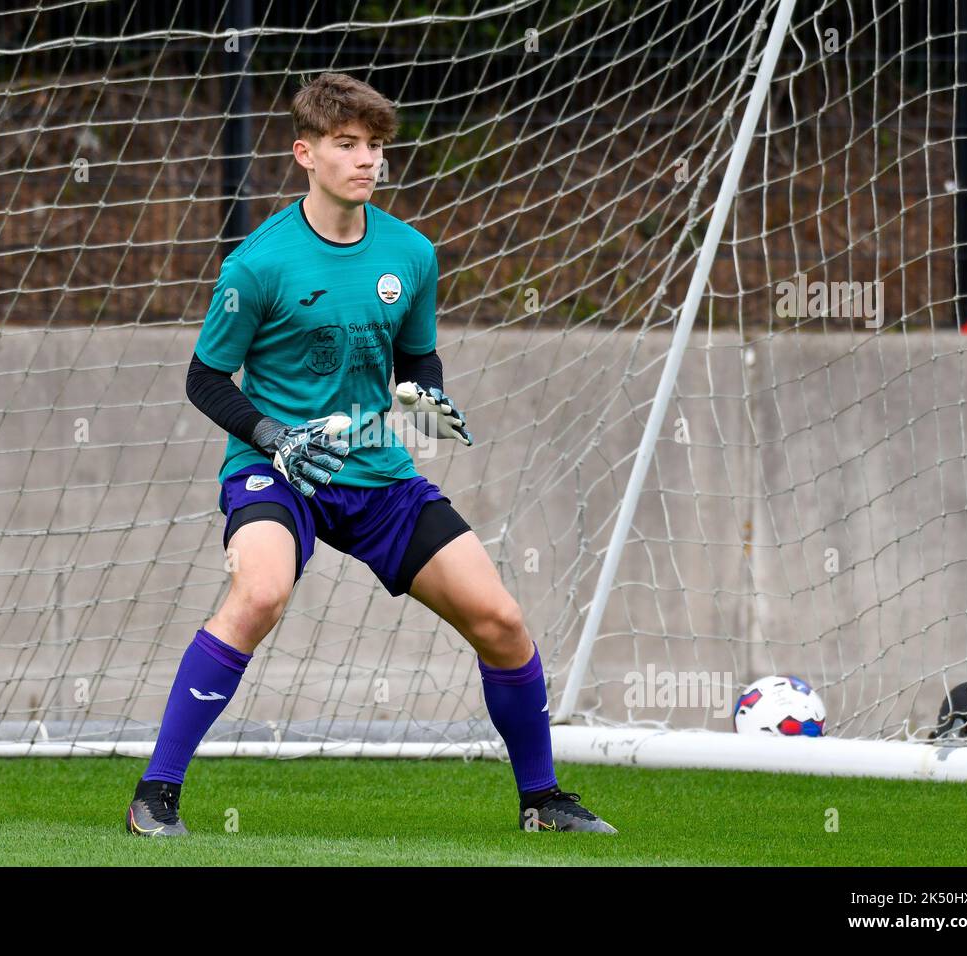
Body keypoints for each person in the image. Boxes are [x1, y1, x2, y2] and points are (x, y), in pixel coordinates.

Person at [126, 72, 616, 836]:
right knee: (258, 595)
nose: (367, 160)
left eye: (376, 146)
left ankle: (542, 801)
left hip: (378, 475)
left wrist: (427, 399)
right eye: (347, 145)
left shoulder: (411, 254)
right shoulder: (258, 264)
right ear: (305, 154)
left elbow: (418, 360)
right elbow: (204, 377)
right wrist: (275, 440)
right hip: (278, 468)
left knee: (501, 620)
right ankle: (154, 796)